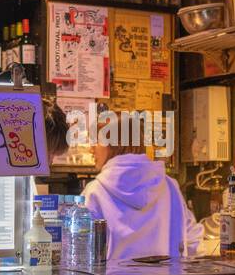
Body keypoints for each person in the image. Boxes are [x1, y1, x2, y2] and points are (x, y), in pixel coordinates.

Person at [83, 113, 203, 263]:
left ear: (115, 143)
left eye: (96, 142)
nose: (91, 149)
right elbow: (192, 238)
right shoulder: (169, 186)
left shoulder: (95, 192)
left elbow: (83, 248)